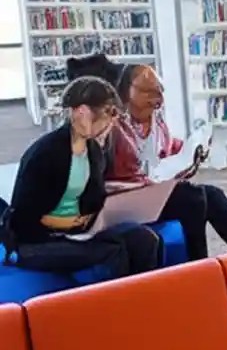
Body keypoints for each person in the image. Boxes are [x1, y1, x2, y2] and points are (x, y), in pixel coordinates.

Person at [0, 77, 161, 280]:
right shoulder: (44, 154)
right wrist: (66, 223)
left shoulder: (94, 151)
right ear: (82, 113)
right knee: (112, 251)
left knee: (145, 240)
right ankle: (119, 307)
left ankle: (145, 301)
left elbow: (95, 199)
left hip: (80, 231)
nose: (111, 123)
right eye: (107, 114)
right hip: (39, 240)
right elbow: (23, 220)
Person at [106, 64, 227, 260]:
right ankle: (197, 266)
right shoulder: (114, 128)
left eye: (159, 93)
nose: (157, 101)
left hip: (152, 193)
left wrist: (192, 152)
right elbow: (122, 174)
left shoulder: (155, 123)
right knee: (191, 198)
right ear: (126, 91)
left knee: (213, 195)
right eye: (149, 93)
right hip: (126, 201)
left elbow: (170, 149)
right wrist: (160, 178)